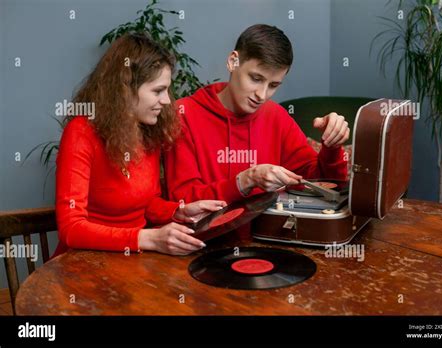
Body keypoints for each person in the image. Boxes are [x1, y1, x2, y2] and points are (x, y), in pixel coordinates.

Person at [164, 24, 349, 240]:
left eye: (273, 85)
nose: (262, 95)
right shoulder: (183, 114)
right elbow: (182, 202)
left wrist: (332, 147)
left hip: (268, 247)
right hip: (201, 250)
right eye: (256, 78)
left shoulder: (276, 116)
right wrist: (245, 181)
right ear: (233, 61)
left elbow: (322, 186)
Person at [54, 34, 226, 257]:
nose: (166, 100)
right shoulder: (80, 132)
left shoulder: (148, 129)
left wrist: (180, 211)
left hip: (133, 258)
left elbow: (148, 204)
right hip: (85, 261)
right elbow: (71, 229)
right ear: (125, 90)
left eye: (167, 90)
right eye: (157, 91)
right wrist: (146, 238)